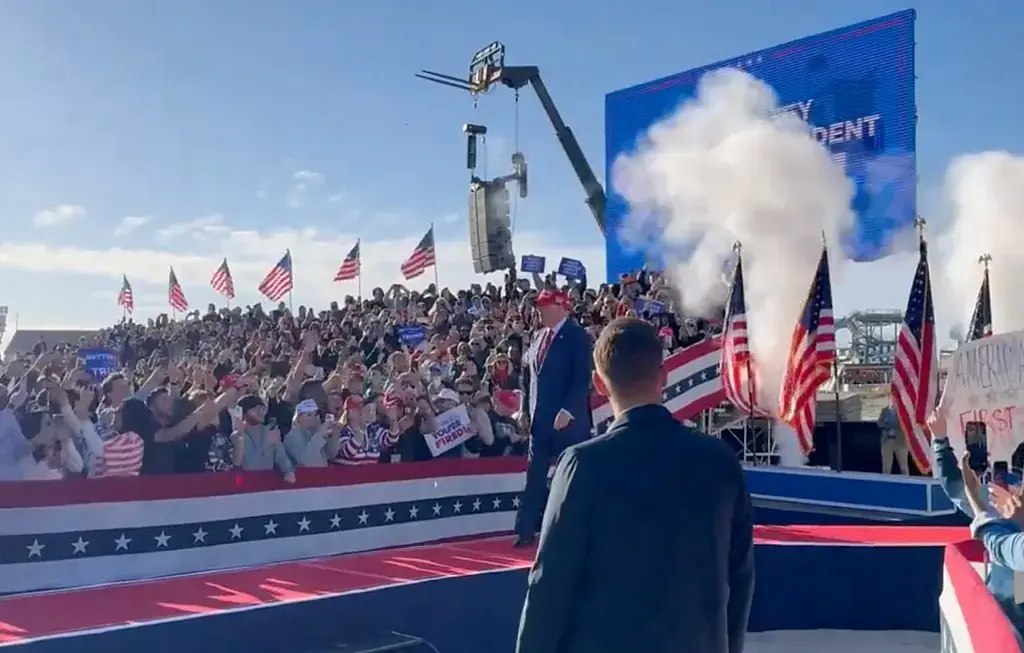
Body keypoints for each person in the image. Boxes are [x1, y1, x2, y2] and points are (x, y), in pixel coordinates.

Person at [516, 318, 754, 653]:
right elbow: (740, 577)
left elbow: (549, 587)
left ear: (599, 384)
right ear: (664, 375)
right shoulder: (720, 459)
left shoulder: (582, 465)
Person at [513, 289, 593, 548]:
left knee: (569, 478)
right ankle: (526, 529)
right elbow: (527, 379)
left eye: (545, 306)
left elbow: (583, 378)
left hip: (567, 424)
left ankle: (570, 530)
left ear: (561, 307)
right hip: (539, 421)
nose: (539, 310)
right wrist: (524, 410)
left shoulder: (577, 336)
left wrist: (568, 410)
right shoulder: (538, 336)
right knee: (534, 476)